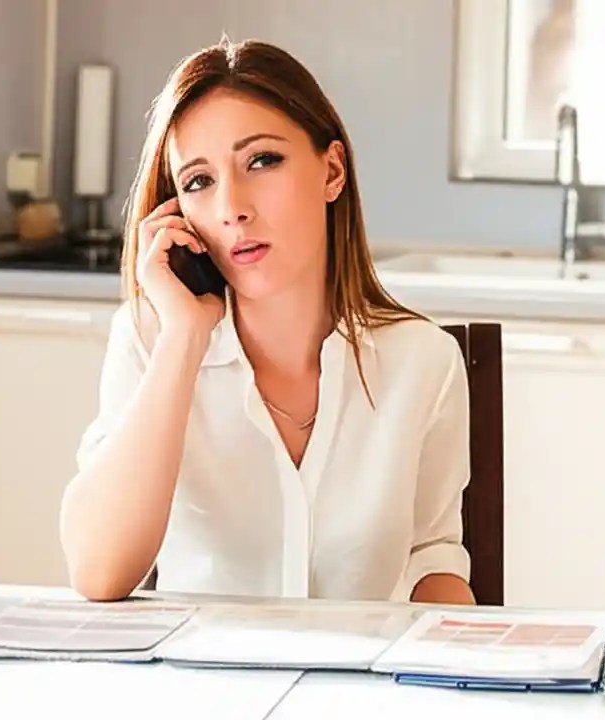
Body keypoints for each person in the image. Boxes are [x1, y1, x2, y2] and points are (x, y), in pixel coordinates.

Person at [59, 38, 476, 606]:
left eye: (261, 161)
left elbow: (433, 555)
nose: (232, 207)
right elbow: (98, 573)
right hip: (198, 690)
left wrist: (463, 670)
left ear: (332, 171)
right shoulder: (150, 340)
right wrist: (183, 340)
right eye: (199, 182)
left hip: (355, 690)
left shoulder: (423, 360)